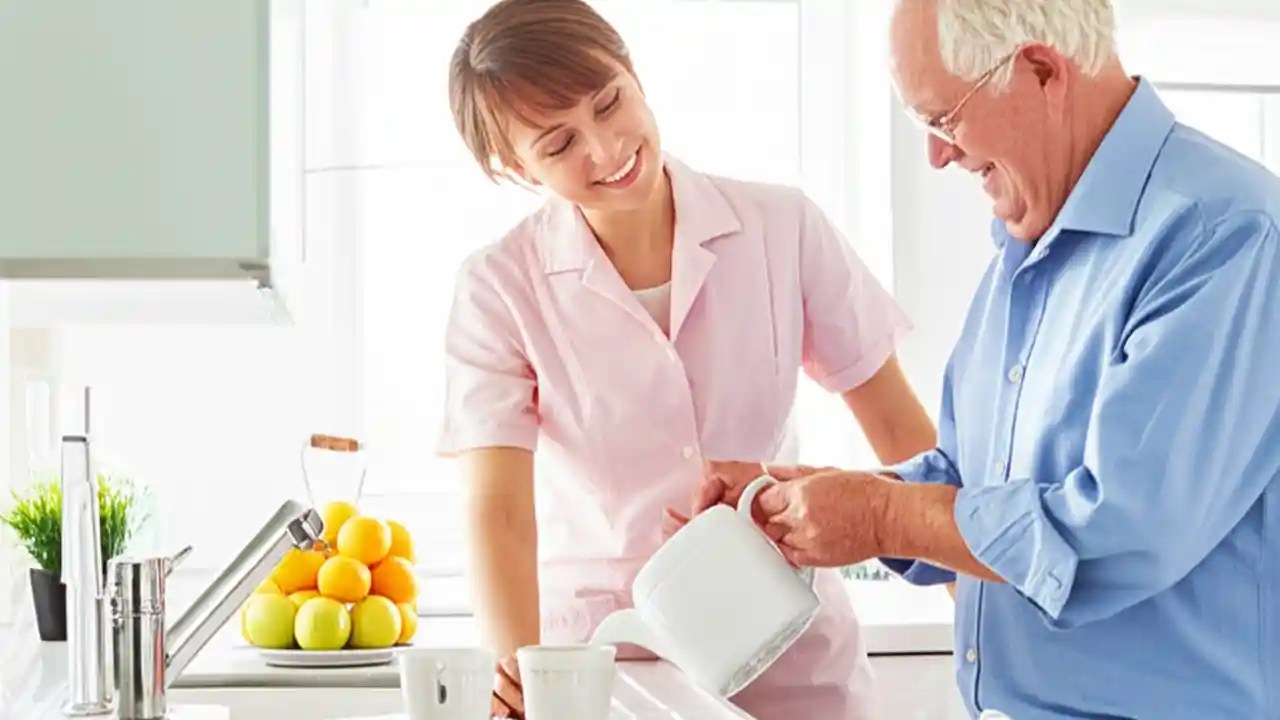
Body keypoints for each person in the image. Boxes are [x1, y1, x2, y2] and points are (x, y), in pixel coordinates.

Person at [698, 0, 1280, 717]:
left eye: (943, 120)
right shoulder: (1026, 241)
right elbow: (973, 479)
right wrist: (816, 498)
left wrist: (886, 515)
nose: (937, 155)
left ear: (1041, 70)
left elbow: (1124, 531)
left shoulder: (1223, 233)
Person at [438, 0, 937, 717]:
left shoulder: (782, 226)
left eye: (610, 103)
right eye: (558, 144)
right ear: (513, 167)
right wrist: (518, 678)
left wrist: (984, 610)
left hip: (792, 656)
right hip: (608, 674)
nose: (606, 150)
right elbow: (500, 510)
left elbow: (902, 436)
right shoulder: (498, 287)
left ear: (633, 73)